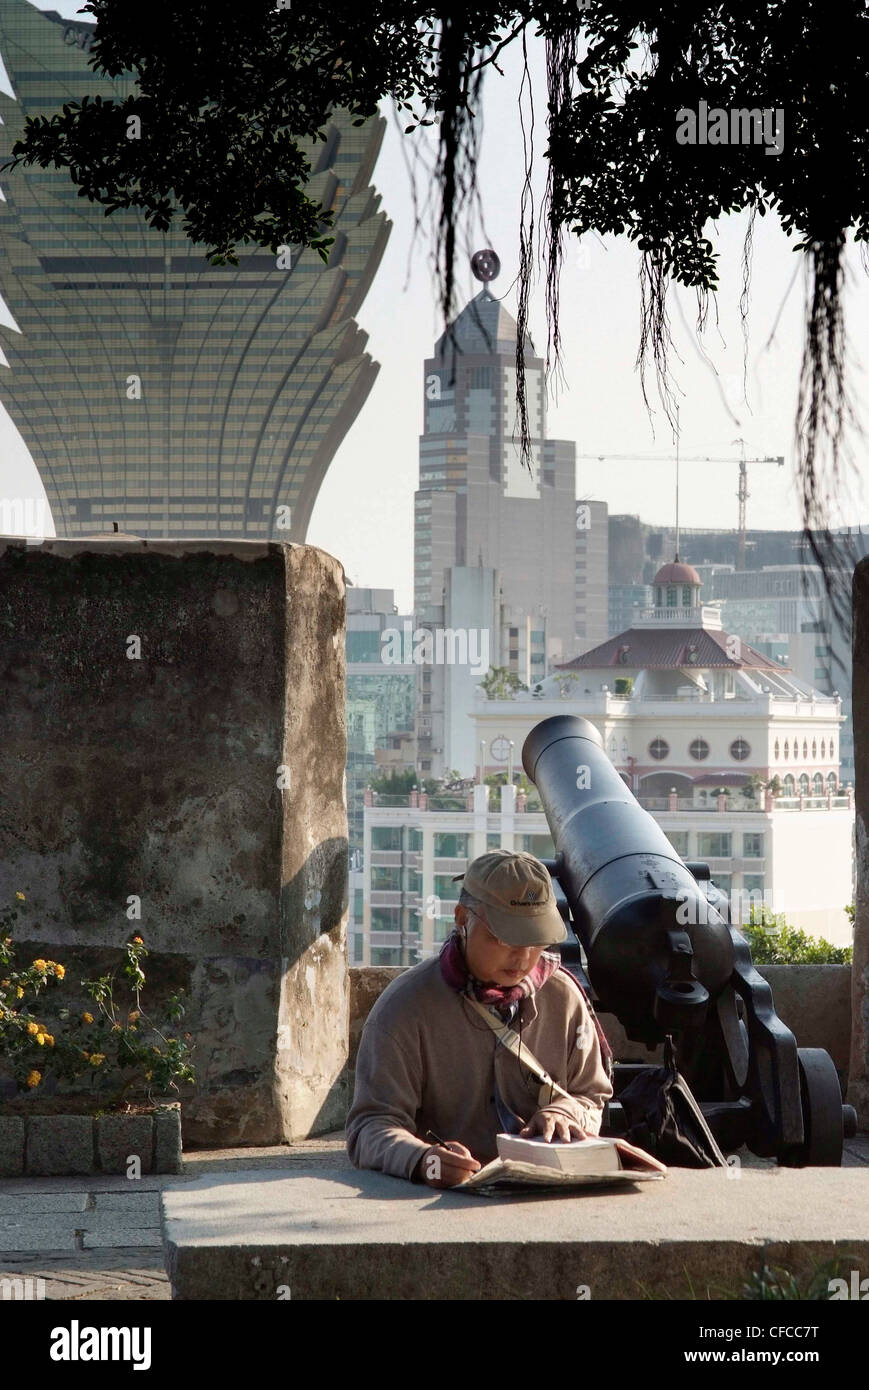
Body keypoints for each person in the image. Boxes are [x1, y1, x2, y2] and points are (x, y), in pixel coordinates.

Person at [346, 849, 614, 1187]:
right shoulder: (405, 1008)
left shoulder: (563, 996)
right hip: (442, 1201)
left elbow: (592, 1096)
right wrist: (422, 1160)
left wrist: (565, 1112)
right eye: (504, 938)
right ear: (462, 920)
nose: (523, 958)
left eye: (535, 939)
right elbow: (369, 1126)